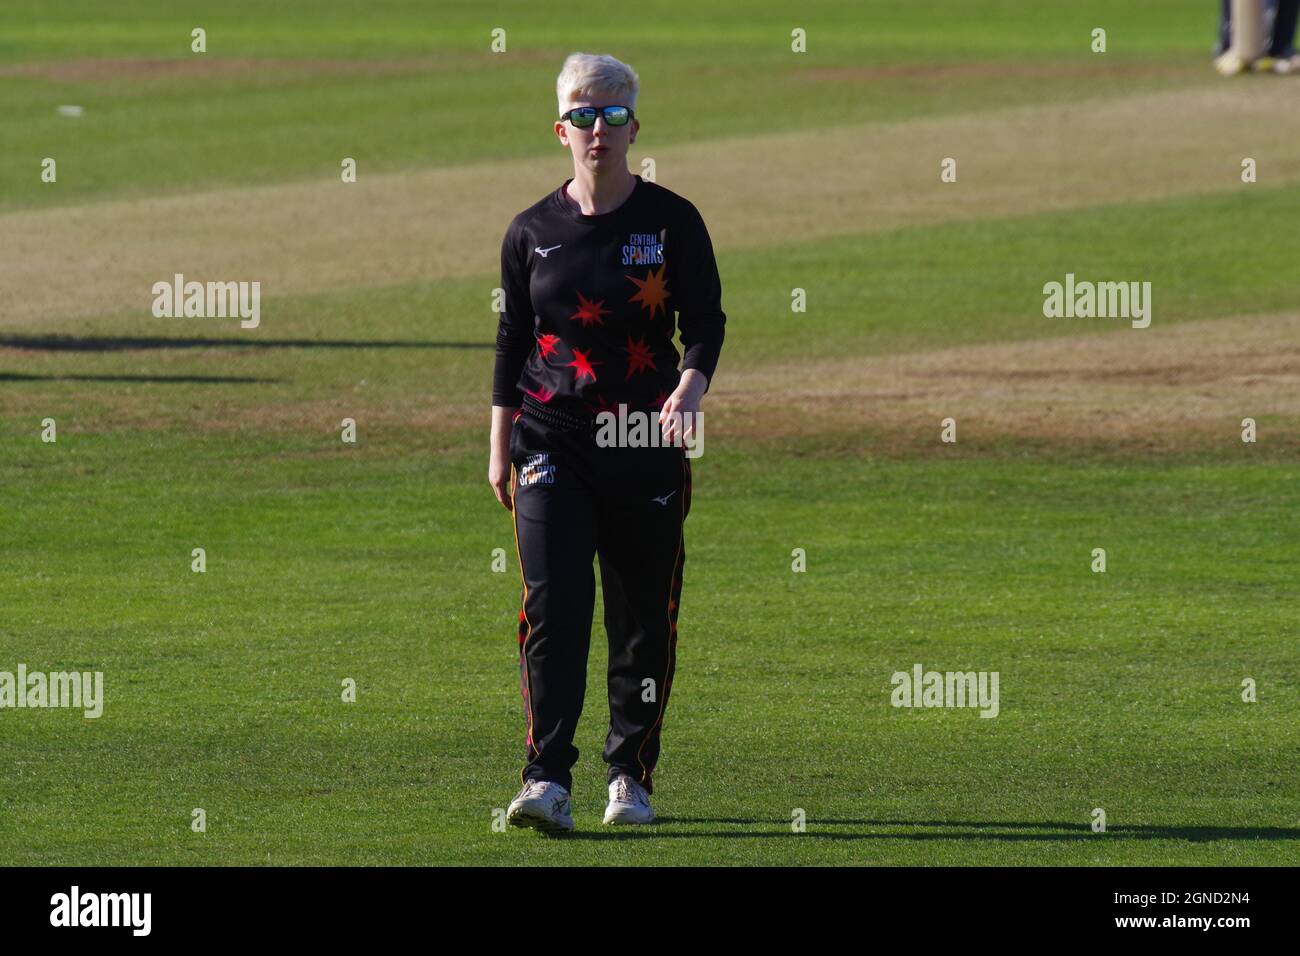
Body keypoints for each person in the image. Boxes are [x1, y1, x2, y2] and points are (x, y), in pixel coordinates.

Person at [487, 52, 726, 832]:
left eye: (614, 116)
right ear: (561, 129)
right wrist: (499, 446)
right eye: (584, 116)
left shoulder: (671, 221)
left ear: (634, 127)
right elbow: (512, 339)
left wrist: (690, 385)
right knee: (555, 606)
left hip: (644, 444)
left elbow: (706, 321)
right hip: (550, 438)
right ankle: (545, 780)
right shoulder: (531, 231)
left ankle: (630, 778)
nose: (599, 130)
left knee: (641, 619)